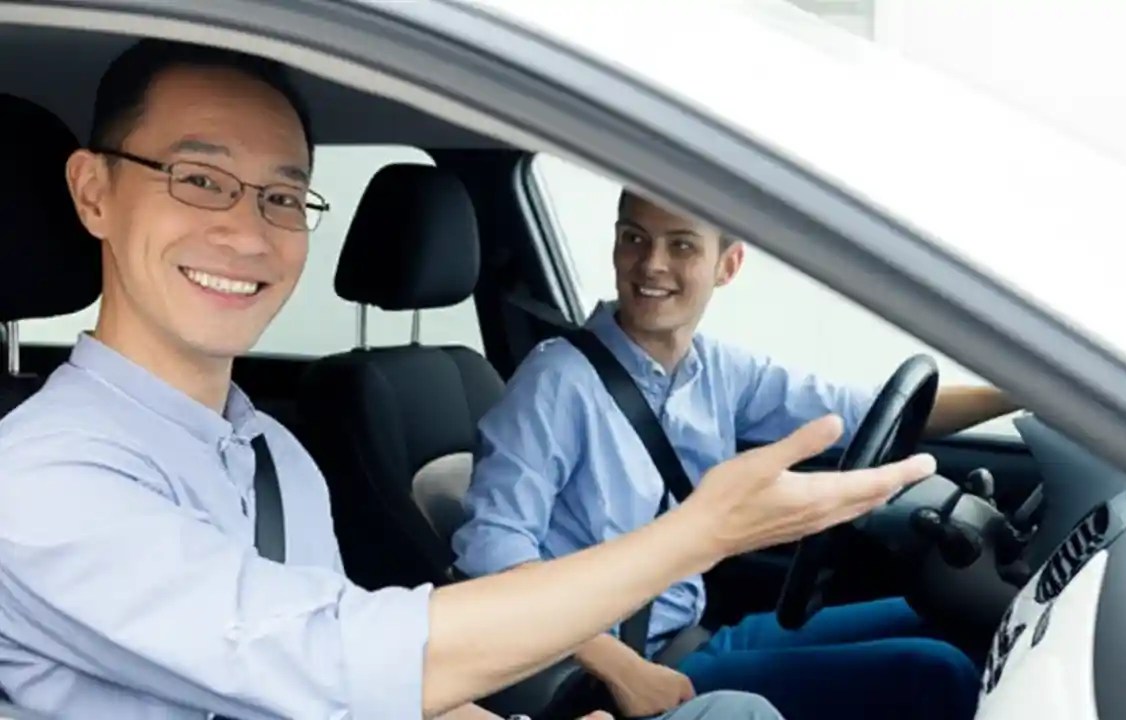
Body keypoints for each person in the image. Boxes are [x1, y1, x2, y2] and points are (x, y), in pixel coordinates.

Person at [0, 39, 940, 720]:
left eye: (282, 197)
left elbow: (365, 695)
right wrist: (699, 533)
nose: (247, 234)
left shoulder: (273, 454)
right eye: (200, 181)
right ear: (93, 192)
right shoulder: (38, 482)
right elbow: (332, 660)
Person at [452, 190, 1022, 720]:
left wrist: (1021, 390)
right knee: (936, 674)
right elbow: (491, 552)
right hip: (616, 663)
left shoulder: (717, 371)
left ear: (727, 266)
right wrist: (620, 667)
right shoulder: (556, 381)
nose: (651, 264)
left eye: (680, 245)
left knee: (948, 620)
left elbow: (859, 410)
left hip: (692, 631)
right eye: (634, 238)